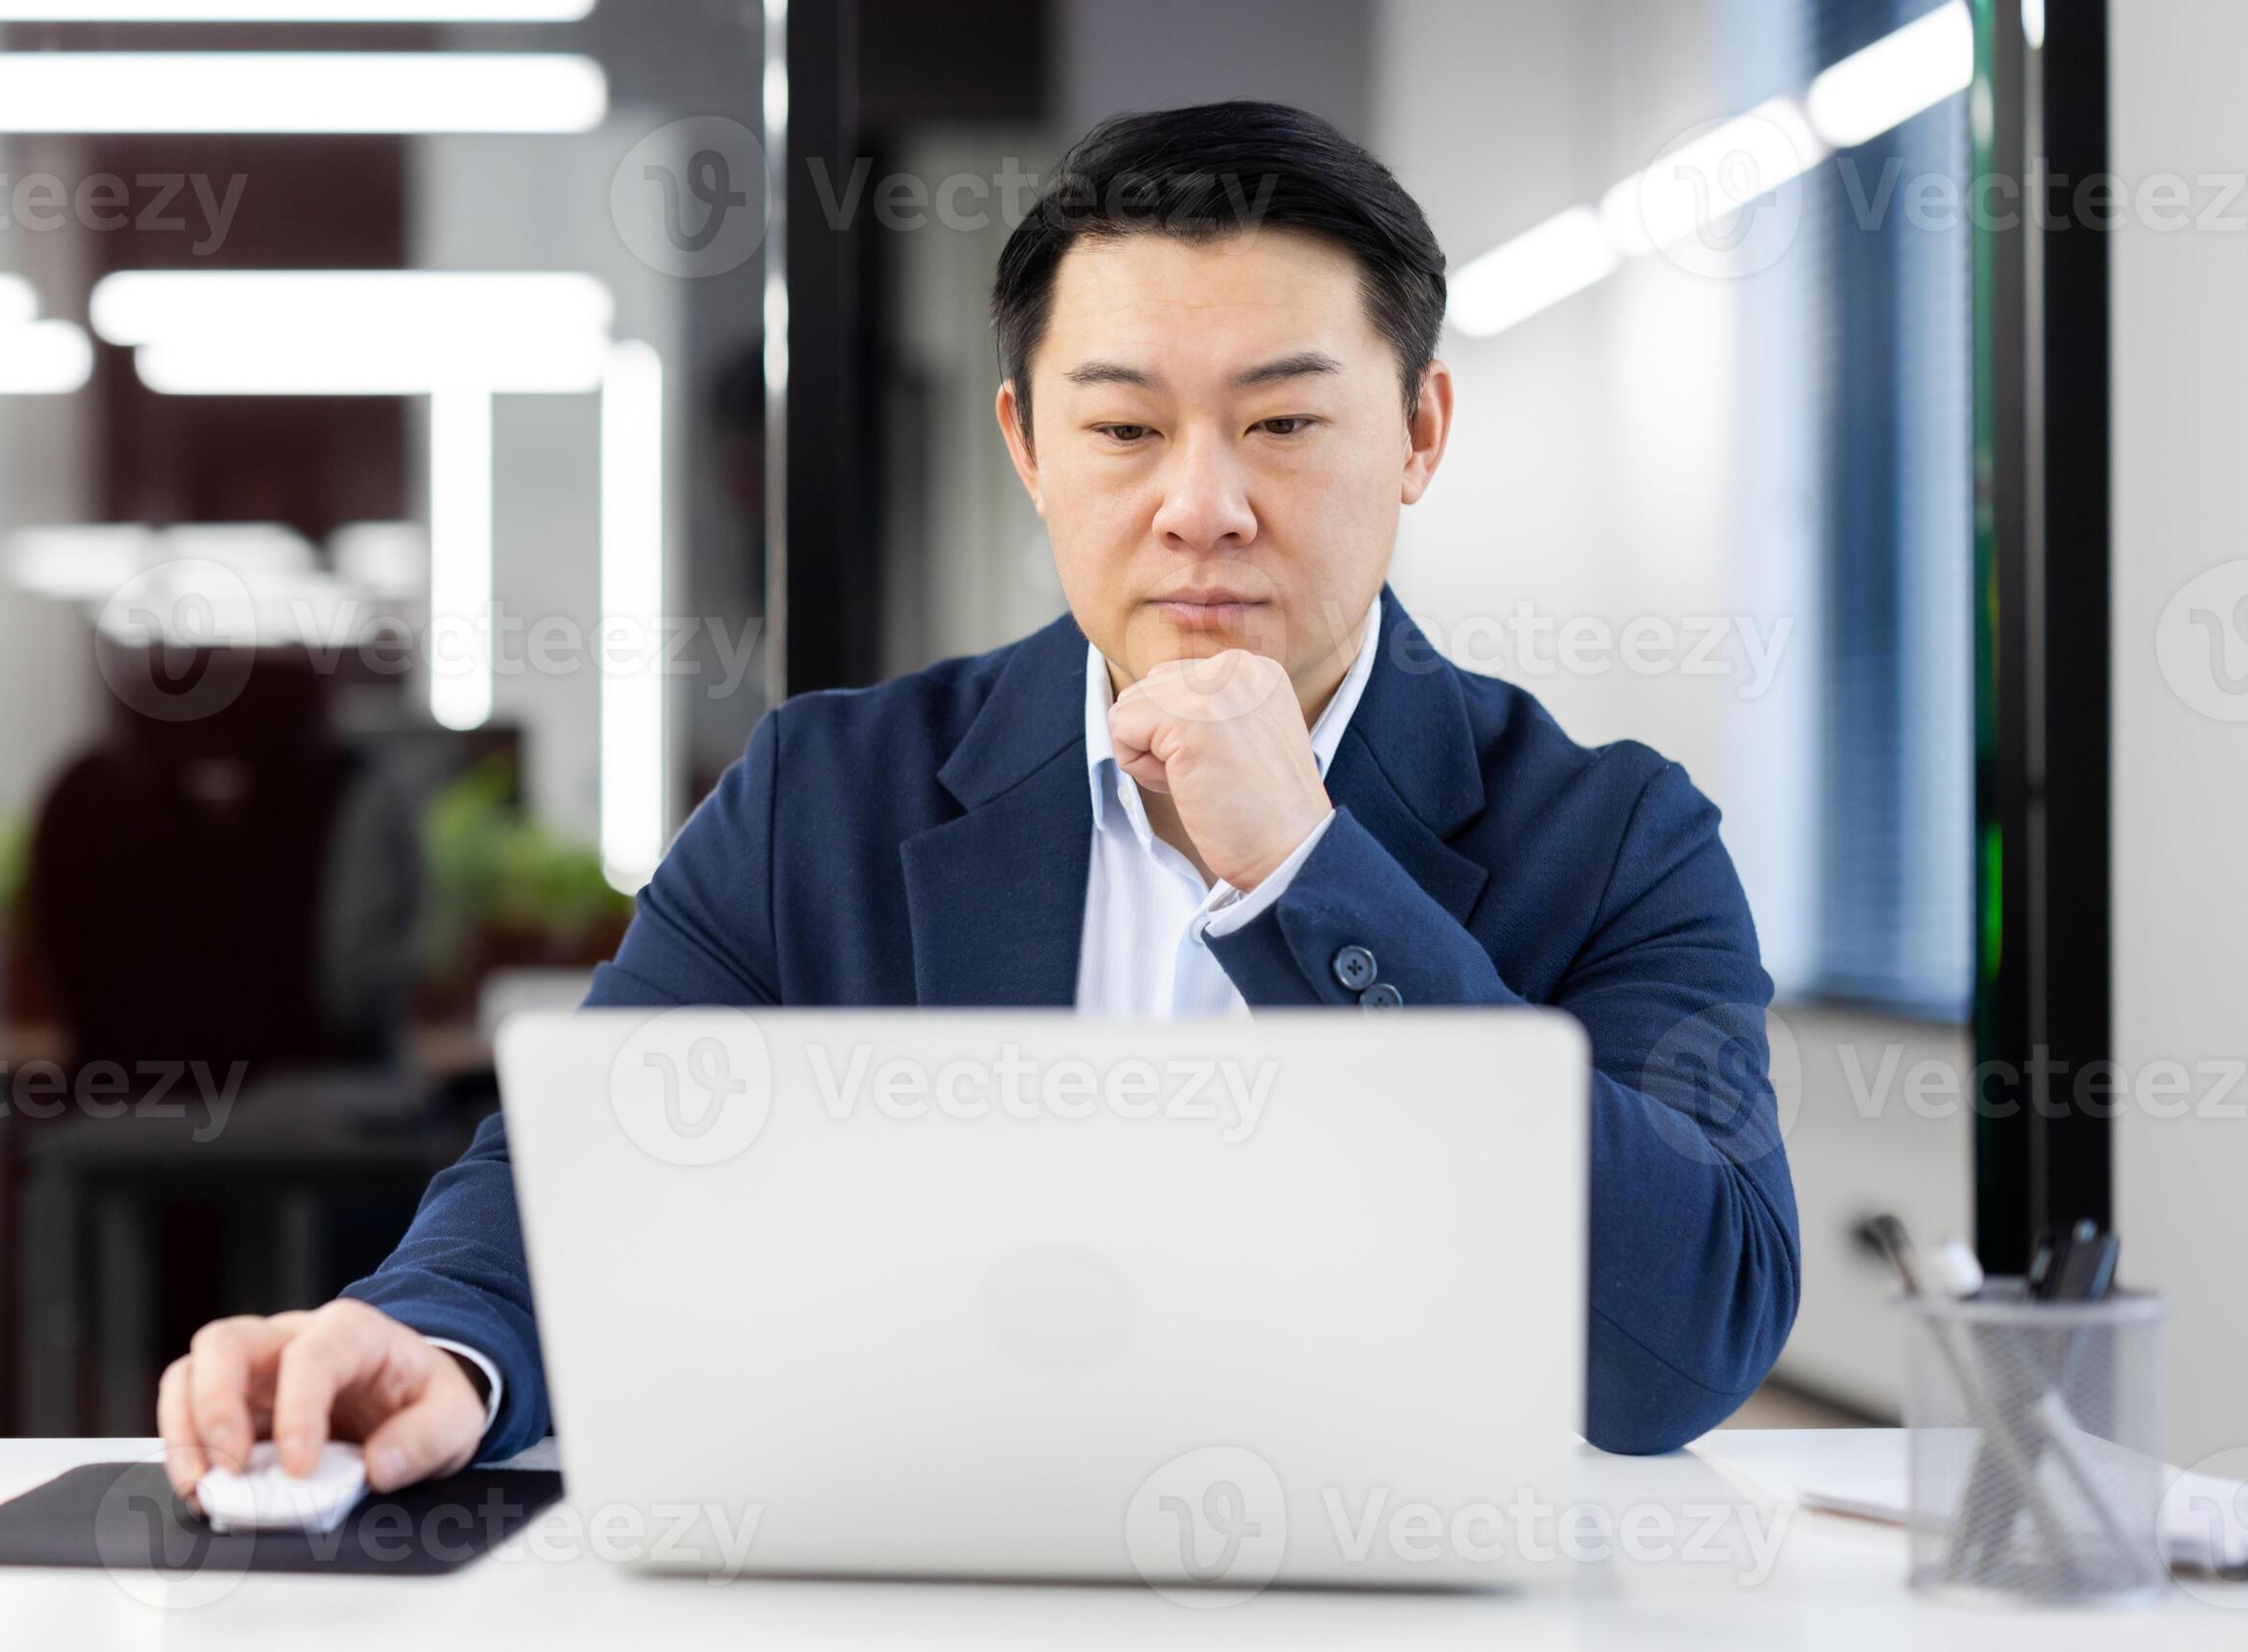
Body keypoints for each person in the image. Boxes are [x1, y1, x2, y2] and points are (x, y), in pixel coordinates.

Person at [155, 101, 1801, 1505]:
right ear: (1027, 445)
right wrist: (437, 1339)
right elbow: (597, 1158)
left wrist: (1306, 872)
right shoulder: (824, 795)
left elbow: (1683, 1344)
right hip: (930, 1587)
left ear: (1420, 431)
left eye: (1286, 423)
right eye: (1124, 428)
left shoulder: (1614, 839)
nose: (1200, 507)